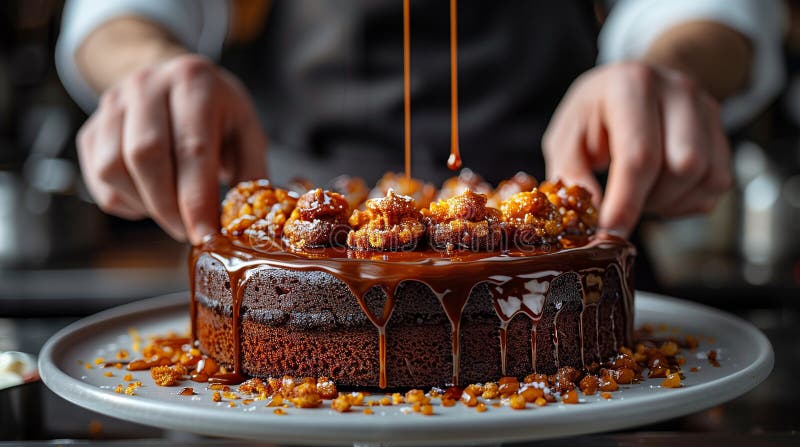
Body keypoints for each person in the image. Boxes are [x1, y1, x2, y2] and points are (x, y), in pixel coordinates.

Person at [56, 0, 785, 245]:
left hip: (575, 235)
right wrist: (145, 66)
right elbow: (118, 13)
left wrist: (669, 67)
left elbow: (710, 10)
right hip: (298, 233)